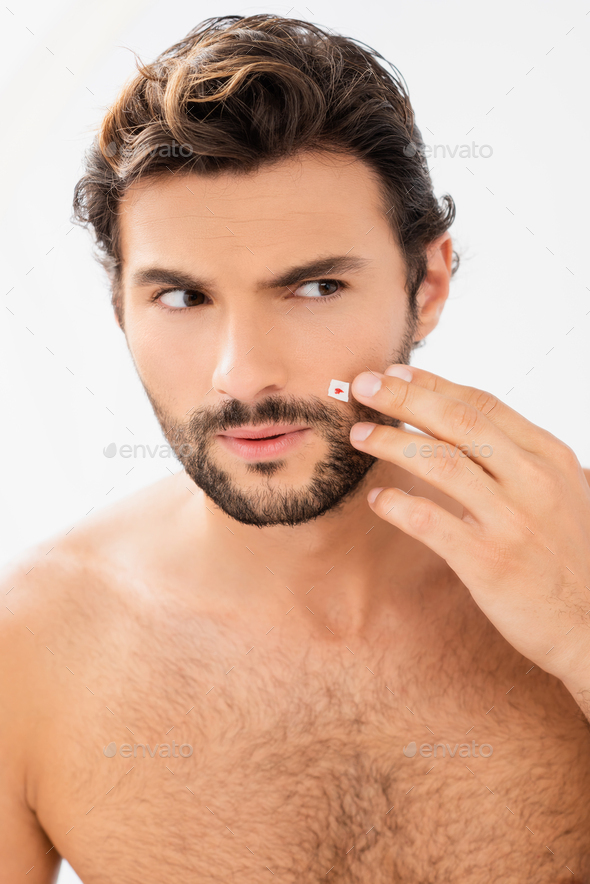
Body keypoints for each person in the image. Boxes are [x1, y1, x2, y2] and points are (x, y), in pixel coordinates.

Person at [2, 14, 590, 883]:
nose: (242, 376)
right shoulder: (29, 652)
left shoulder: (576, 564)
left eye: (315, 287)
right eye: (182, 298)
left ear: (426, 285)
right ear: (120, 305)